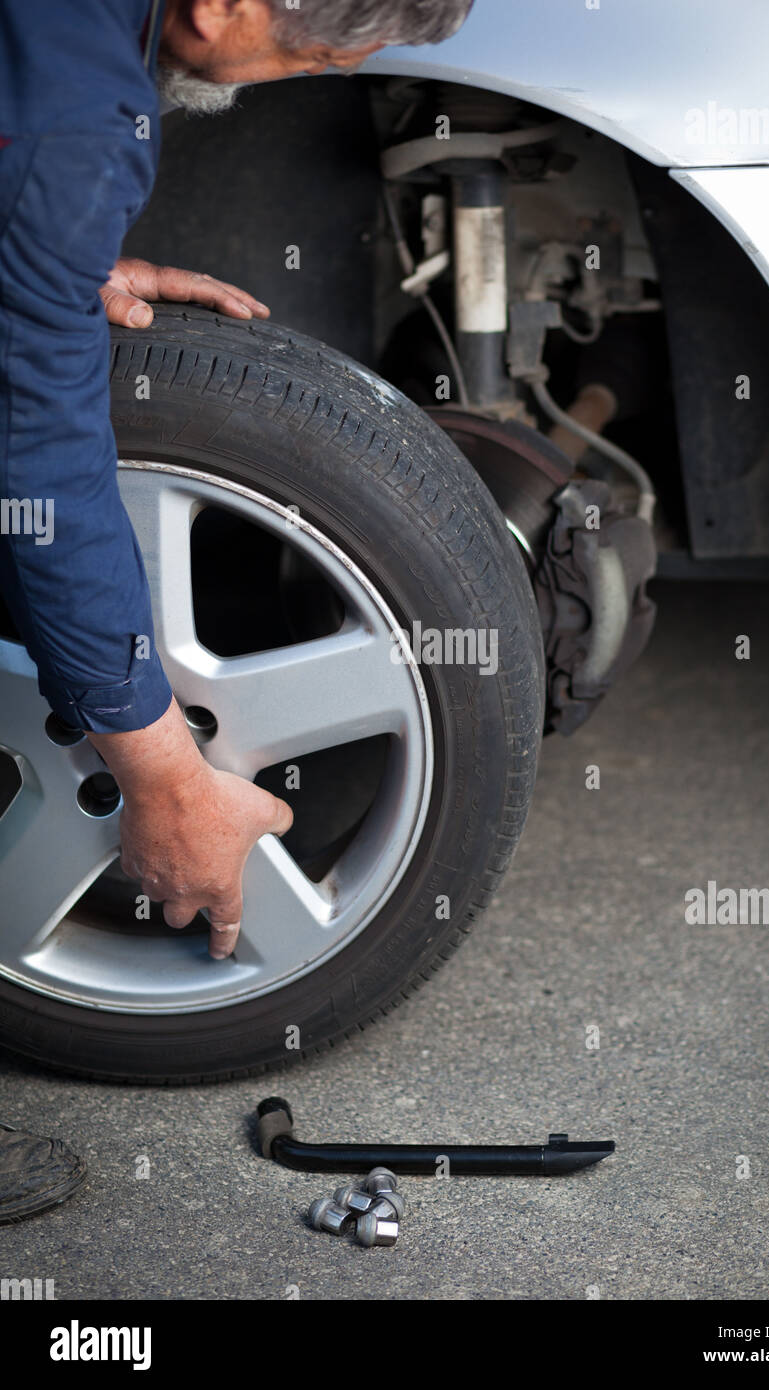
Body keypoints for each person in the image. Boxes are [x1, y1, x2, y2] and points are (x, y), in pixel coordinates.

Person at [0, 0, 474, 1223]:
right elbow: (37, 472)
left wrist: (42, 270)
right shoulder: (73, 127)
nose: (289, 83)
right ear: (221, 4)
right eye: (310, 56)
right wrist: (159, 769)